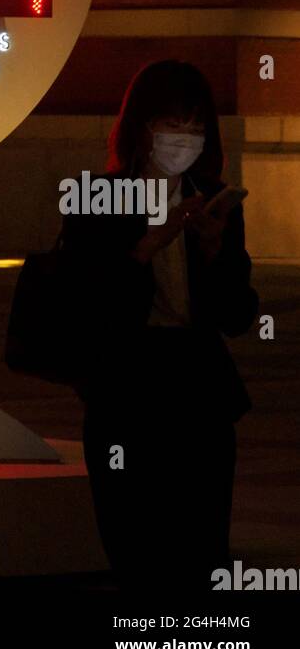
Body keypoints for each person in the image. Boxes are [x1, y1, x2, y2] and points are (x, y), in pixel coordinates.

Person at [62, 60, 258, 591]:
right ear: (142, 127)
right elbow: (88, 309)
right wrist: (148, 245)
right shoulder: (96, 201)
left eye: (196, 127)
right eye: (172, 124)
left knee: (201, 550)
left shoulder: (213, 201)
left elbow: (238, 316)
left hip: (199, 395)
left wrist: (216, 251)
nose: (184, 138)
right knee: (134, 547)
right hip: (126, 392)